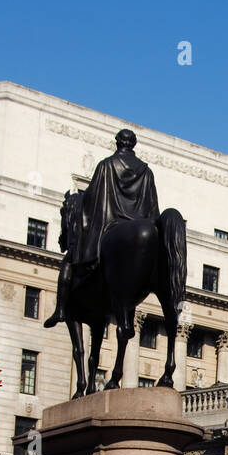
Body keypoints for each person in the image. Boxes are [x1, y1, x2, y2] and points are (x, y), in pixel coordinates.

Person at [45, 129, 160, 328]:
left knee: (68, 262)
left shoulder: (107, 165)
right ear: (133, 144)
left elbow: (91, 200)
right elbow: (152, 207)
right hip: (138, 237)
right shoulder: (146, 172)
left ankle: (61, 309)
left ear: (117, 143)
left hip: (109, 226)